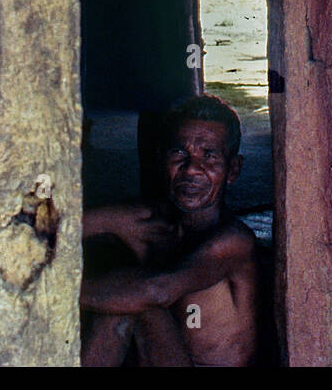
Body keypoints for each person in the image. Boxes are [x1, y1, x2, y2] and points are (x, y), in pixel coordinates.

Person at [81, 95, 258, 366]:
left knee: (133, 300)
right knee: (122, 297)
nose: (192, 169)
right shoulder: (150, 218)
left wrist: (60, 293)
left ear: (233, 169)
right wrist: (110, 220)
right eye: (180, 153)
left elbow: (157, 291)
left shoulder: (233, 240)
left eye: (209, 156)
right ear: (161, 160)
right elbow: (64, 228)